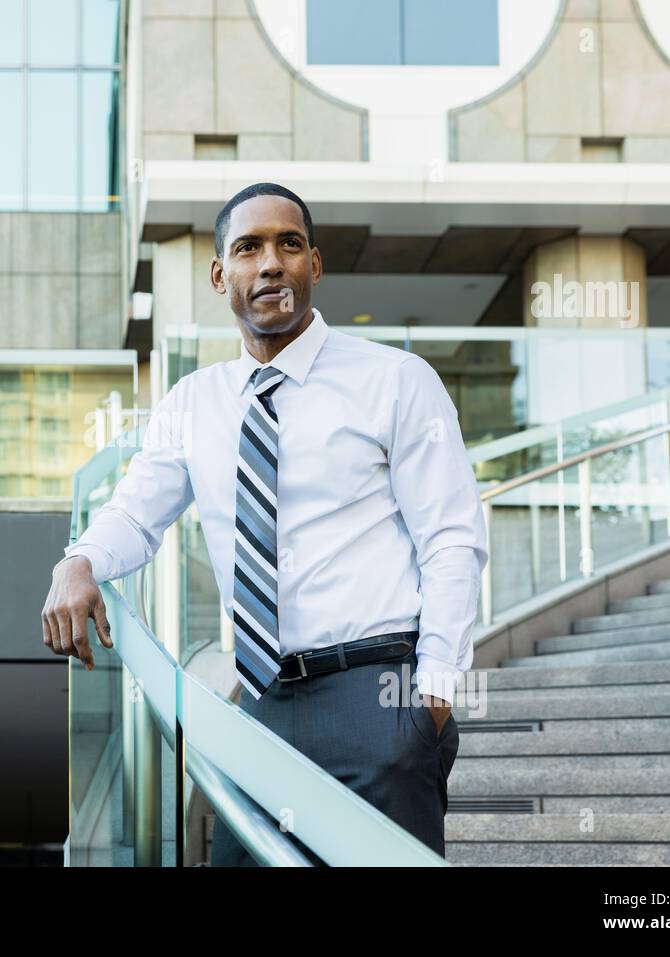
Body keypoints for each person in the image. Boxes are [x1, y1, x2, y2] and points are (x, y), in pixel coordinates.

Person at [40, 182, 487, 863]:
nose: (271, 263)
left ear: (315, 264)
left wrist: (430, 698)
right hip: (261, 706)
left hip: (379, 696)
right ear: (221, 274)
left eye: (290, 244)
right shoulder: (195, 403)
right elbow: (135, 512)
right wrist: (79, 561)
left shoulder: (395, 380)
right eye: (249, 248)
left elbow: (452, 538)